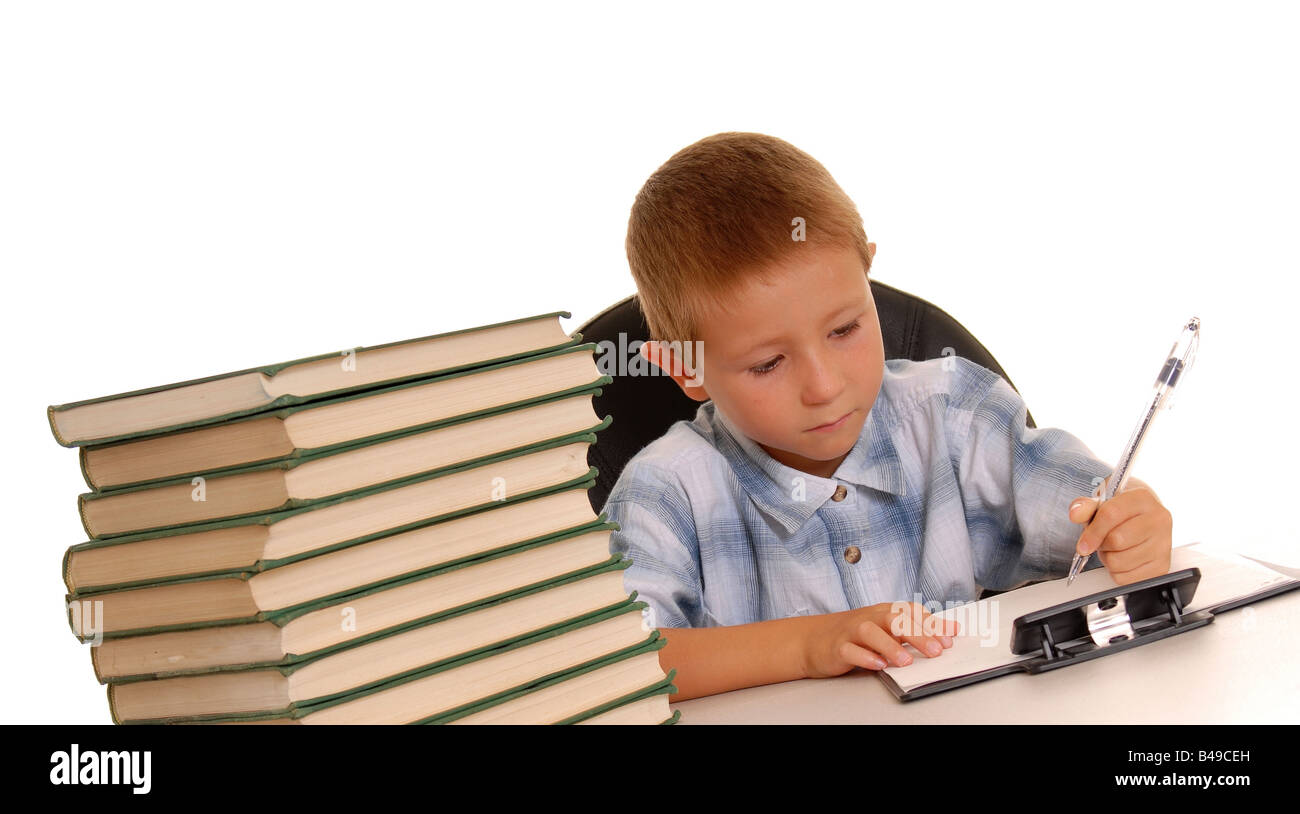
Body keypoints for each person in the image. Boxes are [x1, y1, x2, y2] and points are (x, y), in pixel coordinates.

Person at [602, 132, 1174, 702]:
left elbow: (1089, 510)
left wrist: (1125, 523)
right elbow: (617, 660)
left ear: (867, 274)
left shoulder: (952, 412)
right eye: (768, 363)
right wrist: (807, 645)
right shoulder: (668, 491)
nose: (825, 387)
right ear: (685, 368)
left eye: (845, 329)